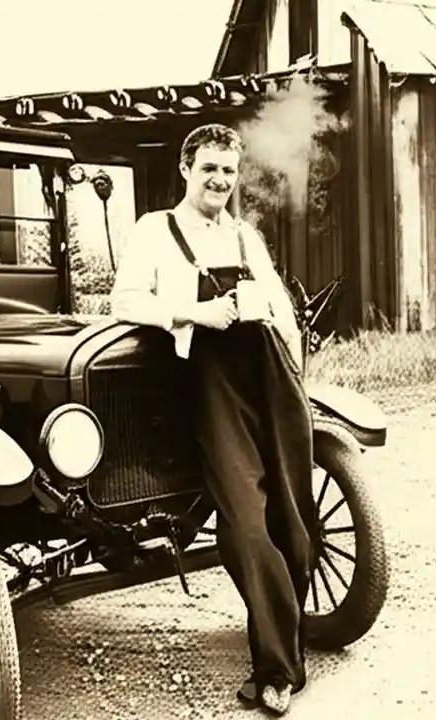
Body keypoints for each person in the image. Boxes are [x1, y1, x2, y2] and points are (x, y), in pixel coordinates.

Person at [107, 123, 315, 716]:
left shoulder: (247, 237)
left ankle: (288, 641)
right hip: (208, 381)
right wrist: (196, 313)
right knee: (247, 521)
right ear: (185, 170)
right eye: (209, 170)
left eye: (228, 170)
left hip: (271, 376)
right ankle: (275, 671)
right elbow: (125, 301)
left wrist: (296, 376)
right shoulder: (156, 230)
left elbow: (278, 310)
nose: (220, 180)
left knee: (292, 514)